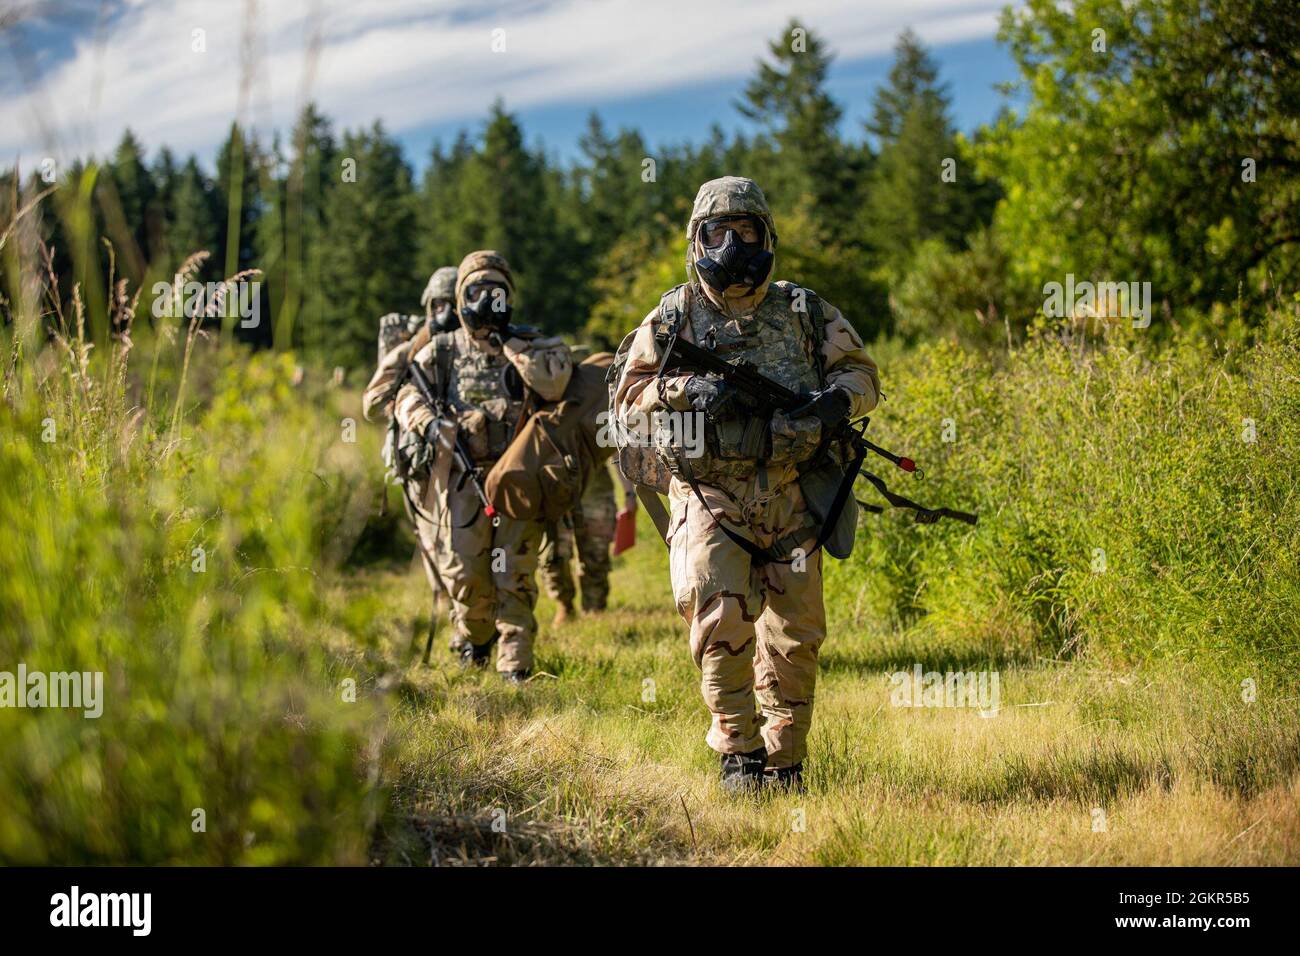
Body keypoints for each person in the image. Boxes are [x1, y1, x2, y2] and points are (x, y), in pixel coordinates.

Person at [611, 177, 880, 792]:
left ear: (768, 237)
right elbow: (627, 403)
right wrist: (686, 390)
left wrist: (835, 403)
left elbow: (862, 373)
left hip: (791, 490)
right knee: (718, 618)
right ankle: (737, 749)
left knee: (796, 634)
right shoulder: (674, 314)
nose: (733, 245)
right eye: (718, 233)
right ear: (697, 240)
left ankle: (786, 761)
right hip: (710, 493)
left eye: (747, 232)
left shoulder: (804, 311)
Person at [388, 250, 573, 682]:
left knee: (515, 572)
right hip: (460, 480)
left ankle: (516, 663)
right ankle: (474, 638)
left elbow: (554, 384)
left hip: (517, 479)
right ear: (459, 297)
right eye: (476, 291)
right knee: (467, 574)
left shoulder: (529, 345)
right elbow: (405, 395)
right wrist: (428, 424)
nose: (487, 301)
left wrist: (509, 343)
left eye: (497, 292)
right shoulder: (443, 350)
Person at [540, 459, 636, 623]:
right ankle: (565, 604)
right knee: (554, 555)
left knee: (596, 556)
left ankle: (594, 612)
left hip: (595, 486)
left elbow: (616, 450)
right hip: (554, 486)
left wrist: (629, 493)